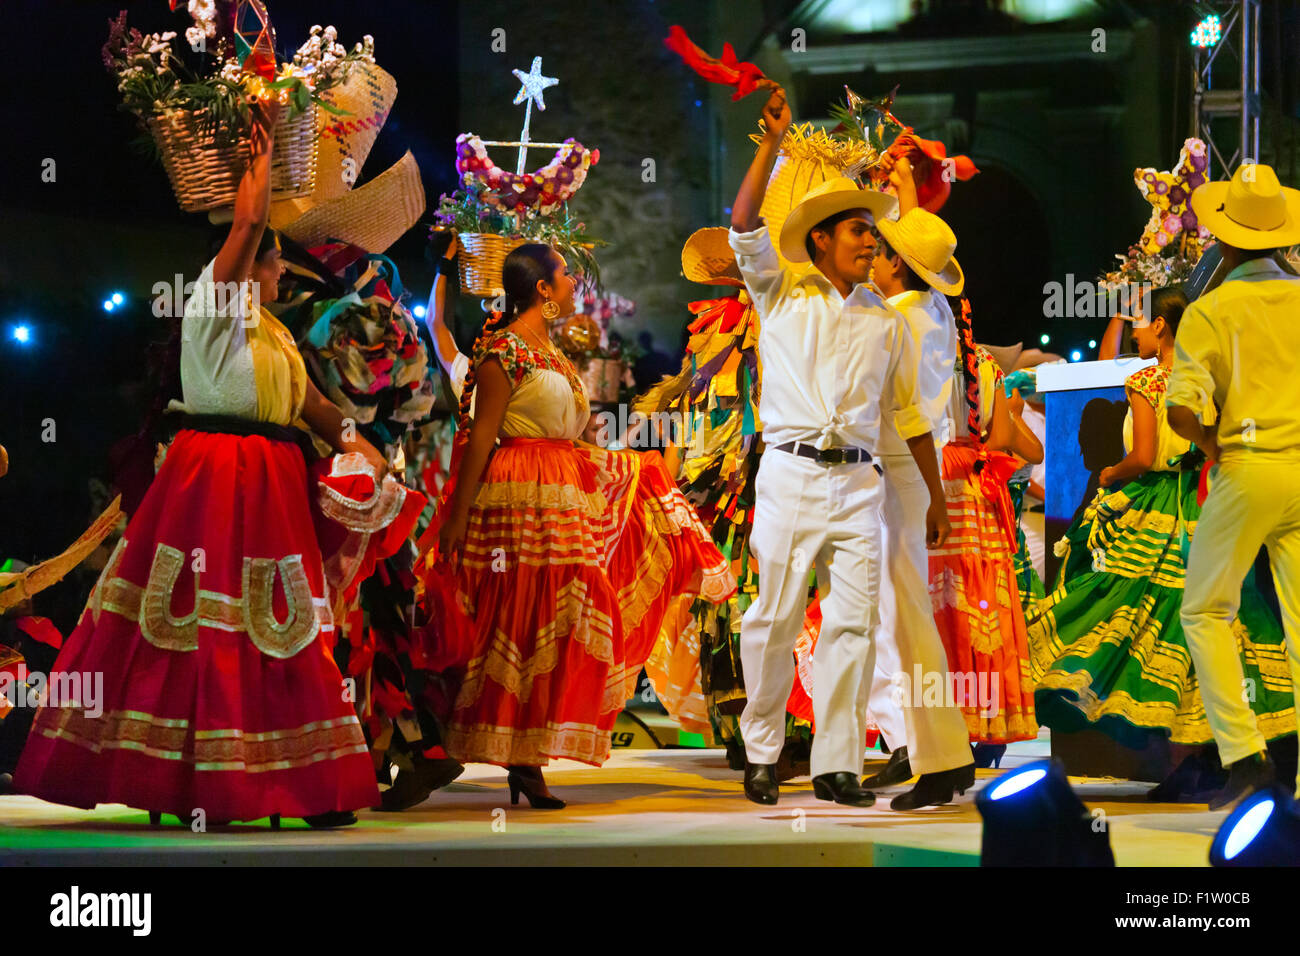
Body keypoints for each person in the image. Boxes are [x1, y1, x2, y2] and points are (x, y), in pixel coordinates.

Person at [15, 100, 399, 828]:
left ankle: (306, 784)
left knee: (287, 627)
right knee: (205, 628)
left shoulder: (276, 334)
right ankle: (201, 784)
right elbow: (248, 225)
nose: (285, 267)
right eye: (278, 256)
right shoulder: (213, 304)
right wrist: (258, 144)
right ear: (253, 262)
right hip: (214, 478)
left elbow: (318, 409)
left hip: (275, 479)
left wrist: (365, 451)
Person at [415, 243, 735, 808]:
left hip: (564, 491)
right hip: (518, 494)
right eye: (564, 274)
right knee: (518, 613)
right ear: (542, 289)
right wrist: (455, 522)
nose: (572, 284)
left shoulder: (552, 352)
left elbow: (577, 433)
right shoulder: (502, 353)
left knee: (569, 608)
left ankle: (528, 753)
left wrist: (626, 468)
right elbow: (481, 438)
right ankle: (491, 751)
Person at [728, 86, 951, 808]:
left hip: (860, 485)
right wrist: (768, 145)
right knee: (774, 617)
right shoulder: (781, 291)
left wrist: (936, 498)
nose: (870, 242)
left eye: (872, 234)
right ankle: (761, 752)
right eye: (859, 231)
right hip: (790, 475)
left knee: (853, 623)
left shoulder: (886, 321)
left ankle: (837, 766)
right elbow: (740, 228)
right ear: (821, 239)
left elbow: (908, 417)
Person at [1027, 287, 1293, 798]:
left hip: (1159, 504)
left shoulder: (1146, 380)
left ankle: (1194, 762)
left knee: (1135, 610)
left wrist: (1110, 472)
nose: (1134, 332)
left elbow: (1145, 456)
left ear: (1163, 329)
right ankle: (1222, 756)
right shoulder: (1209, 375)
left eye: (1140, 324)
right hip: (1211, 495)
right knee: (1221, 621)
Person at [1166, 162, 1300, 810]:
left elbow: (1181, 410)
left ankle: (1246, 755)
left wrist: (1214, 444)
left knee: (1204, 611)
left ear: (1223, 240)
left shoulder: (1211, 310)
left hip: (1249, 466)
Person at [928, 301, 1044, 766]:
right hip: (979, 493)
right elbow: (999, 441)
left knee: (940, 610)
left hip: (936, 484)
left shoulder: (920, 353)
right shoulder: (986, 365)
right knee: (986, 605)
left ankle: (942, 729)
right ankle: (990, 727)